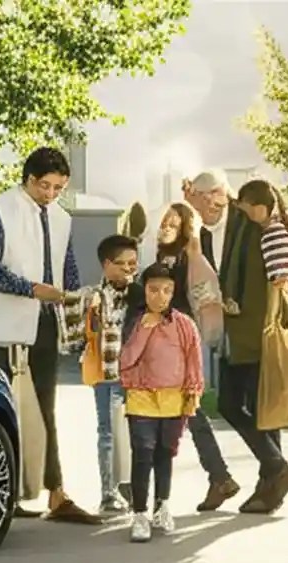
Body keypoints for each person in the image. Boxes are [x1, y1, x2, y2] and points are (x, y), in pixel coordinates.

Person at [0, 147, 100, 524]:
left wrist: (77, 302)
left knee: (46, 410)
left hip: (45, 325)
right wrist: (31, 289)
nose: (50, 194)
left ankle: (56, 493)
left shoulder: (62, 218)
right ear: (28, 178)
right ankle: (4, 494)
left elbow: (68, 270)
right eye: (44, 186)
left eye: (58, 188)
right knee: (2, 412)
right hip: (2, 327)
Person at [145, 202, 240, 512]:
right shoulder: (158, 255)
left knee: (185, 410)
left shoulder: (190, 256)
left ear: (186, 225)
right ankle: (218, 477)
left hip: (180, 340)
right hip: (157, 342)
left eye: (175, 221)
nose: (167, 225)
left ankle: (218, 477)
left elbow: (203, 296)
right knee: (181, 412)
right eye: (165, 221)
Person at [224, 178, 288, 513]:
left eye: (246, 208)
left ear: (259, 206)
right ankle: (271, 484)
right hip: (261, 334)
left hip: (261, 334)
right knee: (265, 411)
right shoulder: (276, 227)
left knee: (234, 405)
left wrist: (278, 282)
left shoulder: (271, 231)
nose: (244, 214)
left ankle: (278, 470)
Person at [119, 262, 205, 542]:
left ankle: (162, 505)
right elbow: (126, 359)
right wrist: (144, 329)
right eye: (153, 290)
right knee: (142, 452)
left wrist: (193, 392)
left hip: (173, 397)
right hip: (141, 396)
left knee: (165, 452)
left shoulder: (184, 324)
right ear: (143, 291)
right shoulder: (134, 322)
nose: (160, 296)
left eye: (166, 290)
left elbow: (193, 359)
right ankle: (140, 513)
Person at [74, 234, 140, 514]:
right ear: (106, 264)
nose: (128, 269)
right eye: (121, 263)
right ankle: (108, 493)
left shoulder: (142, 294)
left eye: (133, 264)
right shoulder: (93, 297)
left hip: (138, 374)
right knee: (108, 433)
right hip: (106, 374)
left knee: (141, 434)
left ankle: (137, 490)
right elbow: (77, 336)